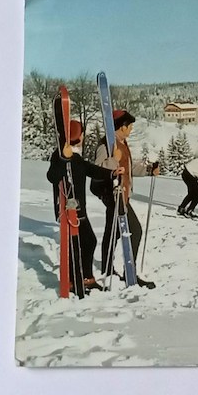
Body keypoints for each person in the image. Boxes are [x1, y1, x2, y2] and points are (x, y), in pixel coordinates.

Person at [47, 120, 125, 291]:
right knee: (85, 242)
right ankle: (80, 279)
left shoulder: (75, 158)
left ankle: (79, 278)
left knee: (83, 242)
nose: (83, 137)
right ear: (77, 136)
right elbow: (52, 177)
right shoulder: (61, 156)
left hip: (77, 208)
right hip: (69, 209)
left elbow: (91, 169)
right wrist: (62, 158)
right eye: (81, 133)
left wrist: (111, 173)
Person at [95, 110, 159, 289]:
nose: (131, 129)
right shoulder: (107, 145)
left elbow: (128, 169)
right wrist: (114, 160)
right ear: (121, 127)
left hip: (121, 194)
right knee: (135, 231)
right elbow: (98, 170)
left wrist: (147, 171)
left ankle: (108, 270)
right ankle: (128, 272)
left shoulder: (122, 143)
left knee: (113, 231)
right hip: (114, 195)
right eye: (129, 126)